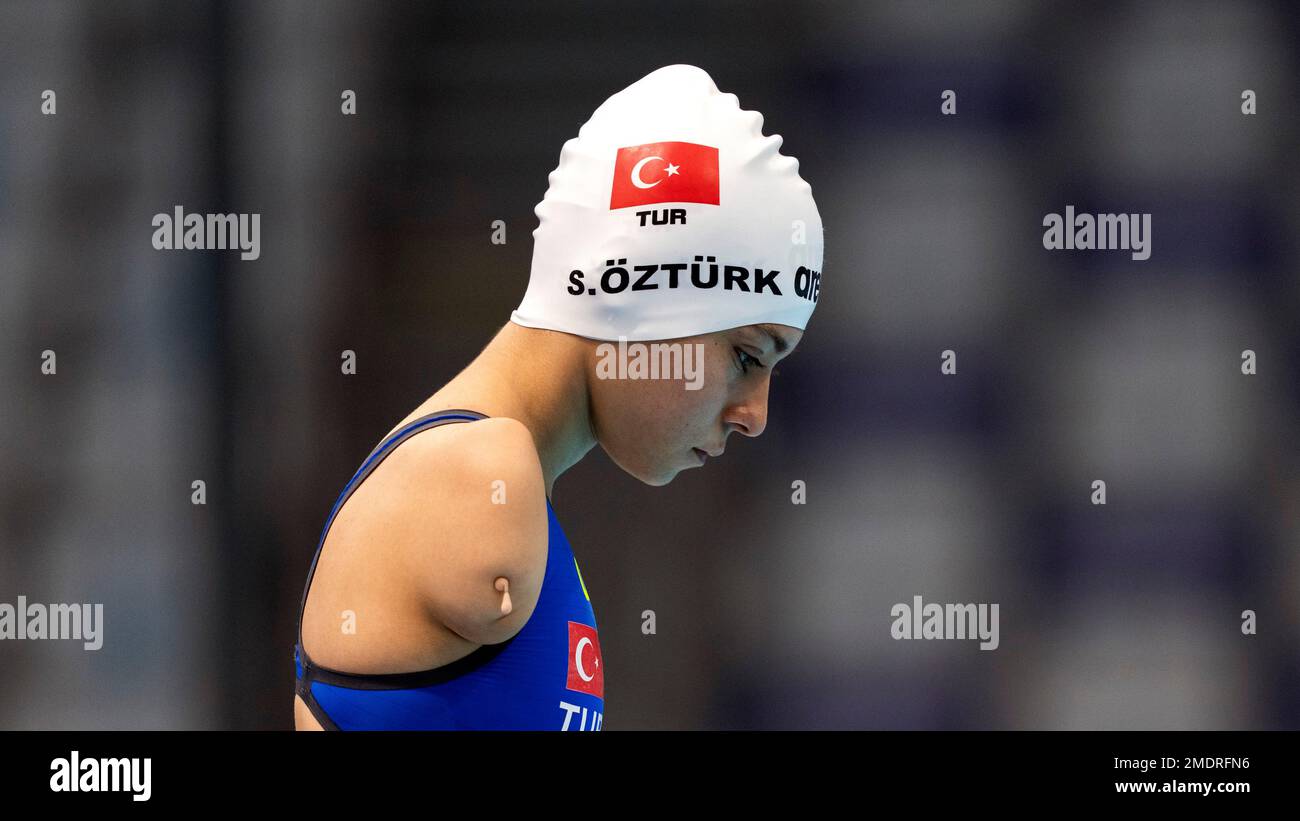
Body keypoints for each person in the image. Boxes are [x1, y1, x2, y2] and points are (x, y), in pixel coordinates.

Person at [293, 63, 824, 730]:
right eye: (747, 356)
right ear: (639, 293)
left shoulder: (501, 482)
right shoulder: (483, 475)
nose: (755, 414)